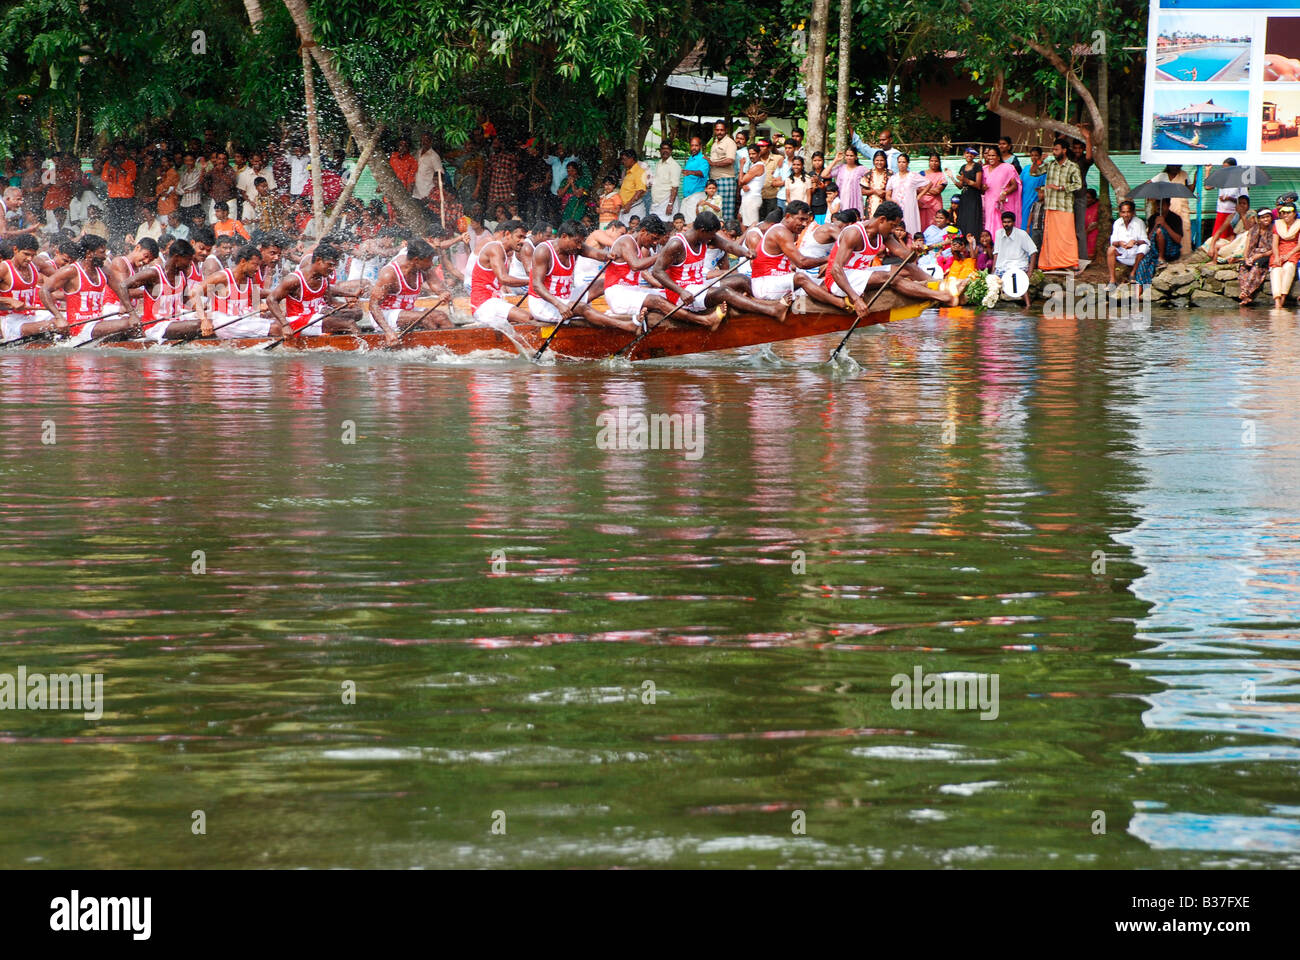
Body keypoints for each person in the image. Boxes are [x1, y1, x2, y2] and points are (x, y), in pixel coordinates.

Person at [826, 200, 960, 310]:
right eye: (892, 225)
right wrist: (855, 298)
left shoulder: (884, 234)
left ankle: (942, 287)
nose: (893, 230)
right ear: (882, 220)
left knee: (910, 268)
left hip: (859, 273)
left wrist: (915, 251)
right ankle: (942, 297)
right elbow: (836, 269)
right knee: (890, 278)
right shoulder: (854, 233)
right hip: (838, 280)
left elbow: (907, 258)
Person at [39, 234, 139, 343]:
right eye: (101, 253)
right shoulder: (71, 271)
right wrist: (59, 317)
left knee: (136, 322)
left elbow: (121, 289)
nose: (105, 256)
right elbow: (44, 290)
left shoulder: (104, 271)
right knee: (128, 324)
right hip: (80, 326)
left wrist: (131, 313)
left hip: (98, 322)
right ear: (89, 253)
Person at [746, 199, 845, 310]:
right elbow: (802, 263)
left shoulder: (790, 233)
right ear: (788, 216)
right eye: (801, 219)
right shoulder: (780, 232)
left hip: (776, 283)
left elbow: (794, 264)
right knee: (801, 278)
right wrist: (830, 258)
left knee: (825, 283)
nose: (804, 224)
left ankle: (806, 313)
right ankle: (841, 304)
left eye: (806, 220)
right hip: (765, 285)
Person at [266, 243, 363, 336]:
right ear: (318, 260)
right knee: (350, 324)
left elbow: (329, 298)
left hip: (318, 316)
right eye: (330, 265)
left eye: (334, 266)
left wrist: (350, 297)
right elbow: (271, 299)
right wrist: (285, 325)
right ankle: (363, 349)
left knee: (357, 313)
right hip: (299, 321)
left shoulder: (324, 276)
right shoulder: (294, 279)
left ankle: (339, 338)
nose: (333, 269)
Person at [365, 238, 447, 344]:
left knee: (441, 317)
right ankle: (437, 348)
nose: (432, 264)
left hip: (408, 312)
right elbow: (373, 305)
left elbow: (439, 287)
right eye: (429, 260)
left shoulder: (423, 268)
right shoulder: (389, 274)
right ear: (416, 260)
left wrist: (444, 293)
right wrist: (388, 331)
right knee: (425, 319)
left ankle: (455, 346)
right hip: (385, 315)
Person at [600, 214, 676, 325]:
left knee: (667, 294)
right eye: (654, 238)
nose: (655, 243)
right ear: (644, 231)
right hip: (618, 295)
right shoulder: (626, 241)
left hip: (631, 291)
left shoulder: (638, 246)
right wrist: (662, 255)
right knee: (658, 301)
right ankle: (699, 321)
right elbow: (635, 265)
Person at [123, 239, 197, 342]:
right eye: (188, 260)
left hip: (175, 322)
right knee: (198, 325)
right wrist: (131, 313)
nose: (190, 264)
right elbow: (122, 286)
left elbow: (186, 300)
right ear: (177, 257)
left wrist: (201, 310)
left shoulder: (182, 274)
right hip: (155, 326)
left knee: (210, 320)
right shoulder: (153, 274)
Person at [192, 243, 271, 339]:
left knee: (276, 319)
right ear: (243, 261)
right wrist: (204, 320)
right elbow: (194, 293)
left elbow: (255, 304)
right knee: (276, 328)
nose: (257, 269)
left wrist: (260, 307)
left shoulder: (250, 278)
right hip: (223, 324)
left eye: (259, 265)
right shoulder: (222, 277)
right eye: (255, 265)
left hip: (240, 321)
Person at [0, 233, 58, 341]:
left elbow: (60, 278)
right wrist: (9, 300)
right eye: (26, 254)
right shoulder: (4, 269)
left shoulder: (36, 264)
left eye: (33, 255)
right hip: (10, 320)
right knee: (54, 324)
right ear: (15, 250)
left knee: (63, 320)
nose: (29, 259)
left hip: (31, 315)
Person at [1039, 139, 1082, 272]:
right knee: (1050, 237)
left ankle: (1071, 261)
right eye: (1053, 149)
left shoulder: (1072, 166)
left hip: (1065, 206)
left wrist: (1060, 188)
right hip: (1050, 205)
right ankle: (1050, 263)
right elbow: (1034, 172)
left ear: (1064, 150)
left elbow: (1078, 184)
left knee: (1067, 236)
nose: (1054, 152)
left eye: (1056, 149)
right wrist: (1038, 161)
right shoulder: (1050, 164)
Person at [993, 211, 1037, 306]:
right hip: (1002, 266)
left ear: (1013, 223)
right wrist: (993, 270)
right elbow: (996, 253)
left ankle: (1028, 305)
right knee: (992, 283)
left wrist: (1030, 272)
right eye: (1004, 222)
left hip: (1019, 265)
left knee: (1019, 280)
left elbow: (1033, 252)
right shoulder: (998, 234)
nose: (1006, 224)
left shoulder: (1022, 234)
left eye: (1009, 222)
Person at [1106, 200, 1149, 289]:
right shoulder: (1117, 223)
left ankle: (1133, 273)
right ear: (1120, 213)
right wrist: (1120, 243)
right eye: (1123, 212)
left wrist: (1134, 242)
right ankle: (1112, 280)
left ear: (1133, 212)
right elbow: (1113, 242)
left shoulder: (1139, 222)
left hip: (1136, 254)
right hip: (1122, 253)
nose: (1126, 215)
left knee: (1144, 247)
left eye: (1128, 212)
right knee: (1110, 249)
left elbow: (1145, 241)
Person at [1237, 209, 1275, 306]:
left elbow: (1273, 249)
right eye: (1263, 217)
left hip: (1267, 254)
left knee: (1257, 265)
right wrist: (1246, 258)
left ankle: (1245, 293)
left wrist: (1260, 255)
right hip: (1253, 255)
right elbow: (1247, 246)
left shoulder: (1274, 229)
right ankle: (1246, 297)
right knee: (1242, 266)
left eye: (1267, 217)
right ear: (1259, 219)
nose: (1266, 219)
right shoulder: (1253, 229)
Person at [982, 145, 1021, 230]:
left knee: (1003, 225)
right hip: (989, 203)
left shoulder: (1007, 167)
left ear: (998, 157)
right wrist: (983, 188)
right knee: (990, 226)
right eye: (989, 155)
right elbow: (981, 189)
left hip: (1004, 203)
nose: (990, 158)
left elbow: (1015, 185)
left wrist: (1004, 193)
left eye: (993, 155)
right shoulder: (984, 169)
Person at [886, 153, 926, 235]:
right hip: (896, 207)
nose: (901, 164)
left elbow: (929, 183)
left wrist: (918, 197)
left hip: (909, 206)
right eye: (899, 162)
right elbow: (887, 195)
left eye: (903, 162)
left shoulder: (913, 176)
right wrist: (892, 201)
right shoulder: (893, 178)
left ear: (907, 163)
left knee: (910, 225)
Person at [1270, 202, 1300, 309]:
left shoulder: (1299, 224)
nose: (1286, 215)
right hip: (1279, 251)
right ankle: (1277, 300)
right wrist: (1277, 257)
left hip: (1294, 251)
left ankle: (1282, 297)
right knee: (1276, 271)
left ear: (1294, 213)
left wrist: (1289, 254)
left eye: (1288, 213)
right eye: (1283, 213)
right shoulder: (1277, 224)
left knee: (1288, 268)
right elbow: (1274, 243)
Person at [708, 122, 738, 221]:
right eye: (717, 130)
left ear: (726, 130)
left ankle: (727, 232)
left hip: (725, 179)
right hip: (715, 179)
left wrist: (713, 164)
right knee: (716, 209)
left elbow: (730, 160)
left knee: (726, 210)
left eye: (721, 130)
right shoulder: (715, 142)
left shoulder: (729, 142)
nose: (719, 132)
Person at [951, 146, 983, 239]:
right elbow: (960, 186)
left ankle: (973, 241)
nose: (969, 155)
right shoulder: (962, 167)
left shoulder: (977, 166)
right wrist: (952, 178)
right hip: (964, 196)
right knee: (963, 218)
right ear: (964, 154)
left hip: (973, 196)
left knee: (972, 218)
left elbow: (978, 185)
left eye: (972, 154)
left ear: (974, 156)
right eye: (967, 153)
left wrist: (965, 179)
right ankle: (963, 241)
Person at [1020, 147, 1047, 246]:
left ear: (1040, 156)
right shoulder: (1026, 168)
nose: (1034, 157)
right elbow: (1020, 183)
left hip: (1037, 202)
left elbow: (1044, 187)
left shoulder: (1044, 170)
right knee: (1025, 225)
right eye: (1032, 155)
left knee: (1035, 227)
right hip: (1025, 200)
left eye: (1036, 155)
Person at [679, 136, 711, 223]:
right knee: (684, 223)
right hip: (687, 197)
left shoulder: (703, 159)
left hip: (697, 195)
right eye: (692, 145)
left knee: (694, 223)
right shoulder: (690, 158)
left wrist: (691, 172)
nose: (694, 148)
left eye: (696, 145)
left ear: (700, 146)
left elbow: (702, 173)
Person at [617, 149, 649, 225]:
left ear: (631, 159)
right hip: (627, 208)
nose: (623, 162)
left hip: (634, 208)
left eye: (625, 159)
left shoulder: (639, 171)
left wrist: (629, 204)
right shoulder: (629, 172)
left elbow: (640, 190)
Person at [650, 142, 681, 219]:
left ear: (671, 151)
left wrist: (670, 204)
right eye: (663, 148)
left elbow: (675, 187)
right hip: (657, 202)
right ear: (660, 151)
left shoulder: (674, 165)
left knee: (666, 227)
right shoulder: (659, 163)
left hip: (667, 202)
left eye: (667, 149)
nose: (665, 151)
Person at [738, 144, 766, 226]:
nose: (751, 156)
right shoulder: (753, 165)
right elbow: (744, 183)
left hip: (752, 199)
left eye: (753, 154)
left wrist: (741, 166)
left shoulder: (758, 166)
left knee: (751, 225)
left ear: (759, 153)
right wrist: (743, 185)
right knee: (741, 218)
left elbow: (741, 181)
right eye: (749, 154)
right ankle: (744, 238)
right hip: (748, 198)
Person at [918, 154, 946, 230]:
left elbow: (937, 191)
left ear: (939, 163)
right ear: (929, 162)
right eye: (932, 161)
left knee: (936, 224)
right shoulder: (922, 174)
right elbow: (916, 189)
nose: (934, 163)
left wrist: (924, 190)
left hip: (935, 204)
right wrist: (930, 190)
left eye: (936, 161)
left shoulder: (941, 176)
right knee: (921, 224)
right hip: (922, 203)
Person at [862, 150, 890, 219]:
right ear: (874, 161)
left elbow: (894, 190)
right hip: (870, 206)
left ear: (885, 161)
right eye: (877, 160)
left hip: (885, 206)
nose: (879, 163)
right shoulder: (869, 173)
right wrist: (874, 191)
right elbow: (862, 191)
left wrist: (885, 193)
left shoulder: (890, 174)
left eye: (881, 160)